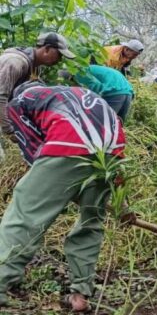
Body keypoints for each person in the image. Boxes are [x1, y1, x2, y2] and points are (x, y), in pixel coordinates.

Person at [0, 81, 125, 311]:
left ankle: (1, 281)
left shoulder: (20, 101)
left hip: (68, 142)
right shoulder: (76, 93)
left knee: (25, 212)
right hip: (111, 153)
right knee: (90, 222)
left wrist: (59, 189)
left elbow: (34, 151)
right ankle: (80, 294)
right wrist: (120, 203)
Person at [0, 32, 74, 148]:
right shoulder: (15, 63)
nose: (60, 60)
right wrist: (9, 130)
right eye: (59, 55)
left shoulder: (35, 68)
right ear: (47, 49)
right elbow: (1, 97)